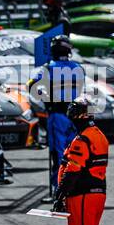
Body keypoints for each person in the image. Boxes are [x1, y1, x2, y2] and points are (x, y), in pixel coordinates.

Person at [53, 97, 108, 225]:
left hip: (83, 196)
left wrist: (60, 194)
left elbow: (72, 171)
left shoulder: (83, 139)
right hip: (95, 194)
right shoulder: (99, 135)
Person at [29, 35, 86, 194]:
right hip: (77, 117)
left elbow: (32, 86)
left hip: (58, 115)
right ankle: (77, 184)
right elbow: (84, 91)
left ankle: (59, 187)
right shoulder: (78, 68)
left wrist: (45, 100)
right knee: (76, 150)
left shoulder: (48, 68)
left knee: (58, 152)